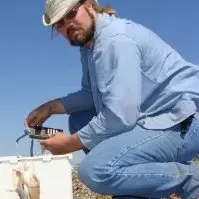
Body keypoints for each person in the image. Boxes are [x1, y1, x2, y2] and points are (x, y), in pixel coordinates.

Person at [25, 0, 199, 198]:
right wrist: (49, 108)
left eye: (71, 13)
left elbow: (121, 114)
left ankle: (188, 179)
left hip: (184, 120)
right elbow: (92, 94)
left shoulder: (114, 40)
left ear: (89, 5)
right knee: (79, 119)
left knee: (95, 171)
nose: (67, 24)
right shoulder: (89, 45)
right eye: (59, 23)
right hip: (155, 117)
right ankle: (135, 186)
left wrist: (69, 144)